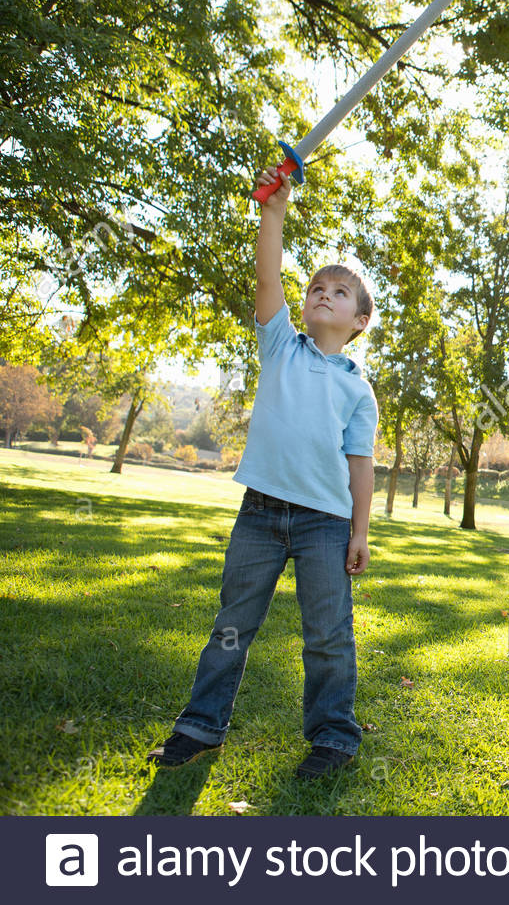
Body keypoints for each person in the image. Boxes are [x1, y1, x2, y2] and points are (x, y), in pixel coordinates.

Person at [147, 167, 378, 780]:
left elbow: (360, 465)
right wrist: (273, 211)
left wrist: (360, 531)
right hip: (260, 512)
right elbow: (268, 273)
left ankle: (333, 737)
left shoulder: (359, 390)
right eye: (317, 289)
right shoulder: (280, 345)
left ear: (359, 320)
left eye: (339, 292)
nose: (323, 294)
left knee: (328, 635)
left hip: (325, 524)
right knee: (232, 625)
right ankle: (200, 727)